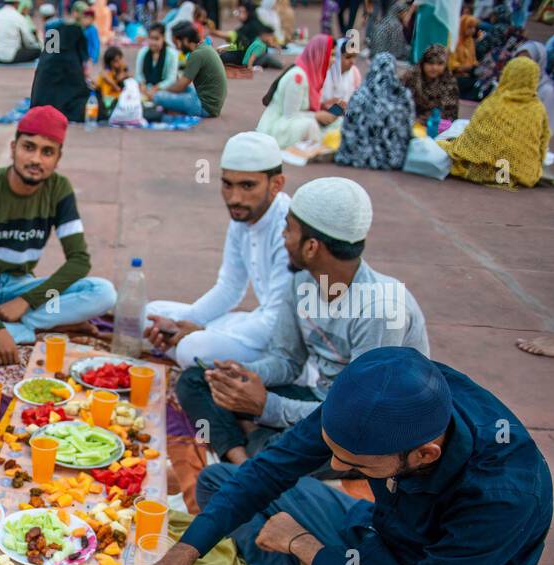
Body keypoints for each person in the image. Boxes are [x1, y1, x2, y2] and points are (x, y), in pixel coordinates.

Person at [133, 347, 552, 565]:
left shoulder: (503, 497)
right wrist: (178, 560)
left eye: (356, 466)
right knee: (220, 482)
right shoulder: (385, 390)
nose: (332, 464)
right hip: (372, 531)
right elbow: (272, 467)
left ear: (425, 455)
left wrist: (306, 548)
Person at [176, 177, 428, 463]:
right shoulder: (300, 283)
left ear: (311, 247)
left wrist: (267, 406)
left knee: (274, 451)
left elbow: (355, 413)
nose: (283, 237)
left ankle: (254, 453)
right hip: (319, 400)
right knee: (196, 380)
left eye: (288, 229)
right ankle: (241, 461)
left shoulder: (380, 309)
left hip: (364, 430)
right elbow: (287, 360)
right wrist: (241, 374)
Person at [0, 106, 117, 359]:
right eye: (28, 147)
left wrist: (27, 301)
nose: (36, 160)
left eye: (47, 152)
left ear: (58, 159)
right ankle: (39, 328)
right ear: (13, 149)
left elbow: (79, 260)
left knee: (103, 292)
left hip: (22, 286)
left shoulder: (59, 189)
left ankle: (24, 326)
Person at [145, 132, 292, 370]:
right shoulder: (242, 218)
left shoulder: (290, 231)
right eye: (227, 185)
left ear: (276, 185)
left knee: (192, 349)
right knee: (152, 314)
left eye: (247, 186)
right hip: (256, 321)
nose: (234, 198)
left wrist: (200, 331)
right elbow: (230, 287)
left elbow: (277, 323)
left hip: (282, 341)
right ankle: (177, 342)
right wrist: (183, 324)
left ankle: (180, 348)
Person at [446, 56, 550, 188]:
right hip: (522, 174)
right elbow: (543, 142)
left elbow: (473, 138)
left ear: (507, 74)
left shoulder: (494, 103)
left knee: (452, 142)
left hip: (484, 171)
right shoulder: (537, 109)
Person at [335, 51, 415, 168]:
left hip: (357, 154)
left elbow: (348, 126)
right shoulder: (402, 95)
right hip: (393, 157)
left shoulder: (359, 96)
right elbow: (408, 126)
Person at [257, 33, 337, 148]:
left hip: (295, 122)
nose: (334, 60)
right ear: (319, 54)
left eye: (334, 55)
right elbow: (289, 115)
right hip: (276, 127)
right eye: (331, 55)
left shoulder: (314, 74)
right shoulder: (298, 77)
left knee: (338, 122)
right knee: (311, 125)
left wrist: (325, 107)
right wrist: (316, 116)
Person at [29, 3, 90, 120]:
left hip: (41, 103)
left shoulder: (50, 48)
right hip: (66, 107)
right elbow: (84, 61)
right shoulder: (77, 34)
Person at [154, 20, 227, 117]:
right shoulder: (204, 47)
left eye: (176, 43)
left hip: (205, 107)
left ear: (185, 40)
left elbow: (182, 85)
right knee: (174, 89)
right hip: (210, 104)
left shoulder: (197, 55)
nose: (176, 47)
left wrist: (160, 91)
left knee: (158, 97)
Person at [401, 41, 458, 121]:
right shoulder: (412, 77)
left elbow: (451, 111)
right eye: (430, 63)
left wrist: (433, 119)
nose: (434, 67)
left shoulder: (449, 81)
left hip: (438, 125)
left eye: (440, 64)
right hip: (411, 121)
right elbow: (401, 104)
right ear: (423, 63)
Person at [321, 29, 361, 110]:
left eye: (354, 56)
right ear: (338, 57)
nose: (352, 61)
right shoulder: (324, 72)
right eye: (348, 57)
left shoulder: (354, 72)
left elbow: (359, 100)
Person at [135, 21, 178, 95]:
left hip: (164, 90)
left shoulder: (172, 54)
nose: (153, 42)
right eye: (151, 38)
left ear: (163, 38)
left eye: (157, 39)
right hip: (145, 89)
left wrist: (157, 88)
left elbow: (171, 79)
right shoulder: (142, 52)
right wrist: (142, 85)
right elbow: (138, 74)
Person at [449, 13, 480, 98]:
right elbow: (451, 63)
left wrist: (476, 67)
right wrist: (464, 67)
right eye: (469, 27)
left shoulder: (470, 41)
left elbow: (473, 59)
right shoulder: (453, 40)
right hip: (454, 76)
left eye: (474, 27)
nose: (473, 30)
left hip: (468, 75)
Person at [94, 45, 127, 113]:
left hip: (120, 99)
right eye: (115, 61)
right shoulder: (106, 73)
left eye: (120, 59)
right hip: (108, 100)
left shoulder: (123, 69)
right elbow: (98, 84)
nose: (119, 62)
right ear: (110, 63)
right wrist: (115, 84)